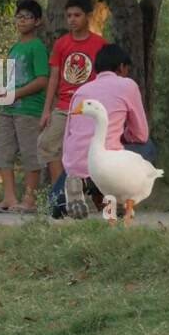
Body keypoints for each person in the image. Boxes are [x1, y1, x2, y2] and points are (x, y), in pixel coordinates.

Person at [57, 44, 154, 219]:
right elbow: (141, 134)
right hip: (105, 163)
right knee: (147, 147)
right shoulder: (127, 85)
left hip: (75, 162)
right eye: (127, 69)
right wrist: (124, 136)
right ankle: (119, 199)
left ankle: (83, 186)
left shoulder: (81, 91)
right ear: (122, 67)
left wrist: (70, 167)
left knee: (57, 207)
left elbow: (67, 136)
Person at [37, 0, 107, 190]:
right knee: (48, 144)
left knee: (87, 151)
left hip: (88, 108)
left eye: (77, 15)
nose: (72, 20)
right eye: (69, 16)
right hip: (63, 106)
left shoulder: (100, 44)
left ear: (88, 16)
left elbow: (105, 77)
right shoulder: (61, 44)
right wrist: (46, 111)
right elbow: (54, 77)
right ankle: (62, 193)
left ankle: (96, 194)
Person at [0, 0, 50, 213]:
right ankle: (9, 198)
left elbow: (42, 80)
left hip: (29, 109)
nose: (22, 20)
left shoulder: (38, 47)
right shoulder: (15, 47)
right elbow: (14, 78)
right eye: (19, 16)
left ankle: (29, 200)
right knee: (1, 150)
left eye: (27, 17)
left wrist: (14, 94)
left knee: (30, 153)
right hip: (9, 109)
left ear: (37, 21)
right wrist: (3, 90)